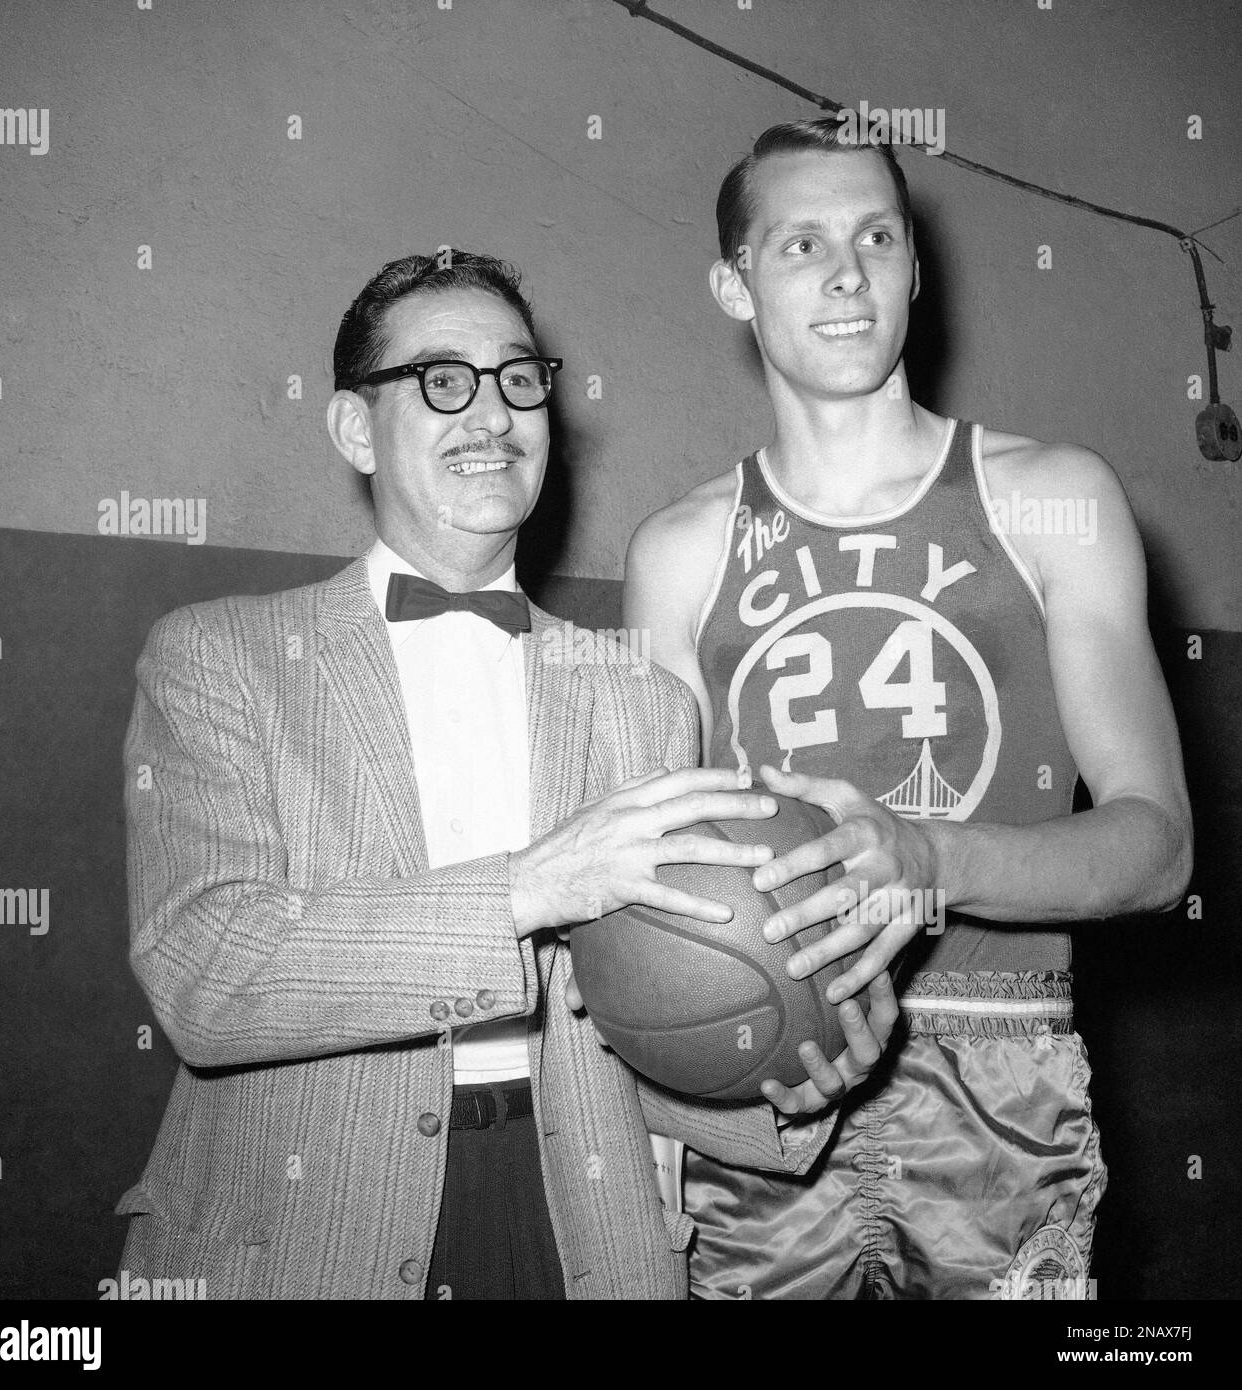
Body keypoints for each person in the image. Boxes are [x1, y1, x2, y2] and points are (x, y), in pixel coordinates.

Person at [114, 248, 893, 1300]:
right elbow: (205, 972)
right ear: (353, 427)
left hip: (575, 1230)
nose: (491, 413)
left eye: (518, 379)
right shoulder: (218, 658)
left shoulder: (643, 700)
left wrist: (791, 1068)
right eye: (441, 380)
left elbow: (638, 1037)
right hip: (299, 1239)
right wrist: (531, 885)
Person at [625, 119, 1192, 1300]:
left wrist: (921, 855)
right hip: (761, 1078)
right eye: (800, 245)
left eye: (875, 236)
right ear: (733, 283)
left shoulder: (1049, 496)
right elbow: (655, 876)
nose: (845, 271)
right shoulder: (679, 550)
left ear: (913, 268)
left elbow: (1154, 847)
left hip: (1000, 1068)